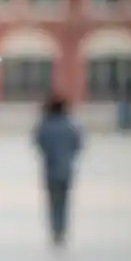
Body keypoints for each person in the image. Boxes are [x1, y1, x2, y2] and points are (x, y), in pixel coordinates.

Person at [33, 95, 83, 246]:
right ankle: (62, 229)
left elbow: (39, 143)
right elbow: (78, 144)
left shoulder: (45, 126)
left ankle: (55, 229)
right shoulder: (71, 126)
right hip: (67, 169)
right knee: (64, 201)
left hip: (50, 169)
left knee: (53, 201)